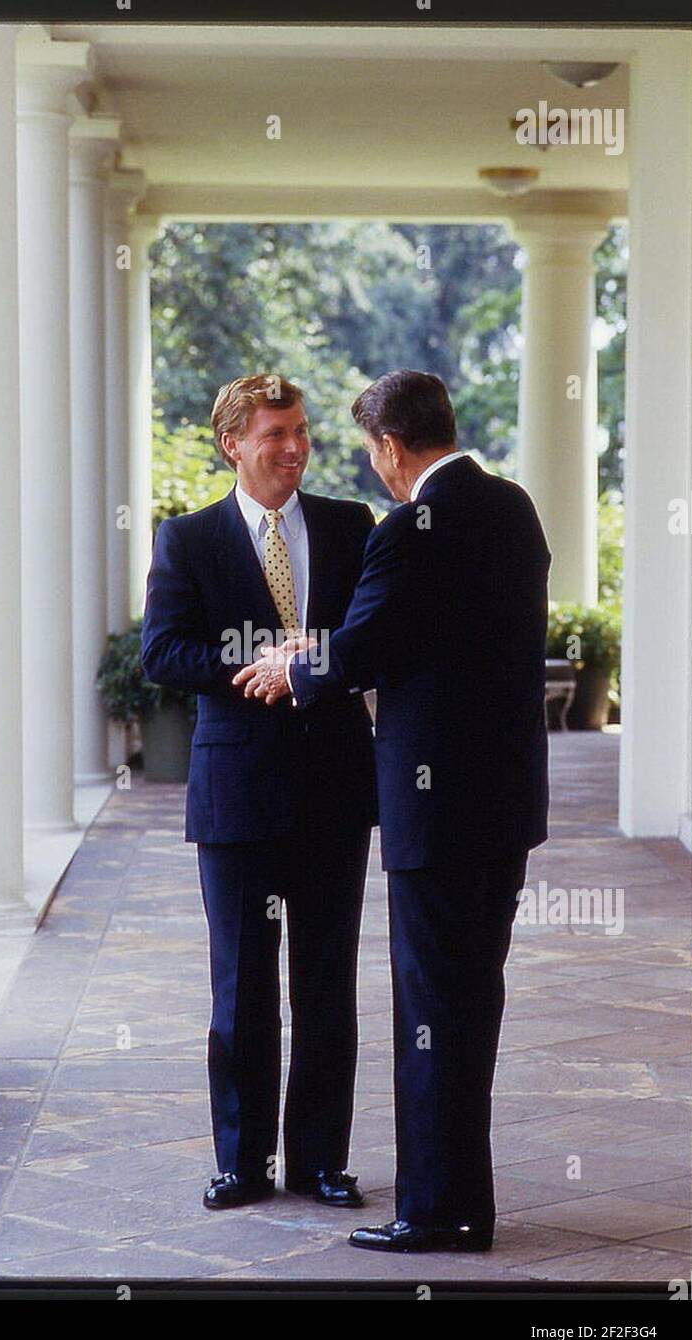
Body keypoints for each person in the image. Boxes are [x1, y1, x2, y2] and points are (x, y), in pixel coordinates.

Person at [235, 370, 551, 1252]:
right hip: (503, 803)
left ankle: (437, 1213)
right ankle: (461, 1203)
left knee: (432, 1013)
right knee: (468, 1004)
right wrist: (329, 648)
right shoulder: (512, 507)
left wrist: (293, 667)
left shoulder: (410, 526)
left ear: (389, 446)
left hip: (436, 808)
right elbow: (429, 630)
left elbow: (369, 644)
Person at [141, 374, 377, 1211]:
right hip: (237, 793)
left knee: (327, 985)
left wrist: (310, 663)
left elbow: (370, 636)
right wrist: (259, 664)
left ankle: (319, 1163)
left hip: (335, 788)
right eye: (275, 434)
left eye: (300, 431)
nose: (293, 448)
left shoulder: (350, 525)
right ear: (232, 444)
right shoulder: (188, 538)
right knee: (241, 987)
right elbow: (163, 652)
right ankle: (242, 1164)